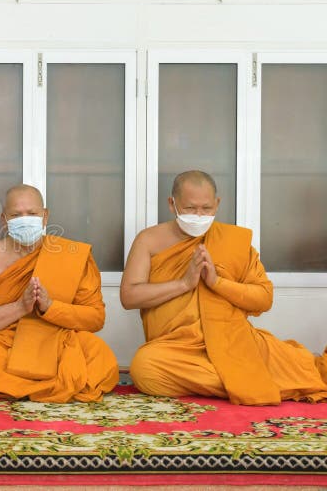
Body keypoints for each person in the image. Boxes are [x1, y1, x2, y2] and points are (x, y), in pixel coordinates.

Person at [121, 170, 327, 405]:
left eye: (206, 208)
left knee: (312, 369)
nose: (199, 215)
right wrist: (184, 283)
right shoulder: (149, 240)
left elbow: (263, 299)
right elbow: (129, 296)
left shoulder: (232, 241)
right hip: (176, 350)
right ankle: (254, 381)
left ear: (217, 205)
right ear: (172, 204)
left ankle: (248, 379)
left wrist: (217, 283)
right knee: (144, 368)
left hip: (233, 343)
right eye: (190, 208)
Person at [0, 184, 119, 402]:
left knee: (98, 354)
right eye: (16, 215)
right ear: (3, 219)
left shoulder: (72, 254)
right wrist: (20, 307)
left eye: (32, 213)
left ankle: (20, 385)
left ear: (45, 216)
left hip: (56, 340)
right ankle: (58, 385)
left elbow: (95, 319)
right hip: (7, 342)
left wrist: (50, 306)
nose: (25, 219)